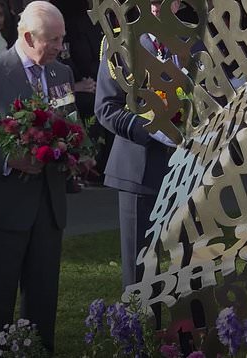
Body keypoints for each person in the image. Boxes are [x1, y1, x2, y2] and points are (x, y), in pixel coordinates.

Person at [0, 1, 74, 356]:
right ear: (26, 36)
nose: (58, 46)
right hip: (2, 211)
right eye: (51, 39)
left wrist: (73, 150)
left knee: (42, 303)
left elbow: (70, 123)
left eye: (61, 39)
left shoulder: (61, 74)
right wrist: (10, 159)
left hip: (48, 207)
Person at [94, 0, 180, 327]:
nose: (159, 8)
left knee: (191, 263)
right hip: (139, 169)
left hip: (186, 168)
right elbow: (106, 107)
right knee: (142, 268)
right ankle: (142, 341)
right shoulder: (120, 43)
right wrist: (152, 131)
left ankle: (190, 340)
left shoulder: (193, 40)